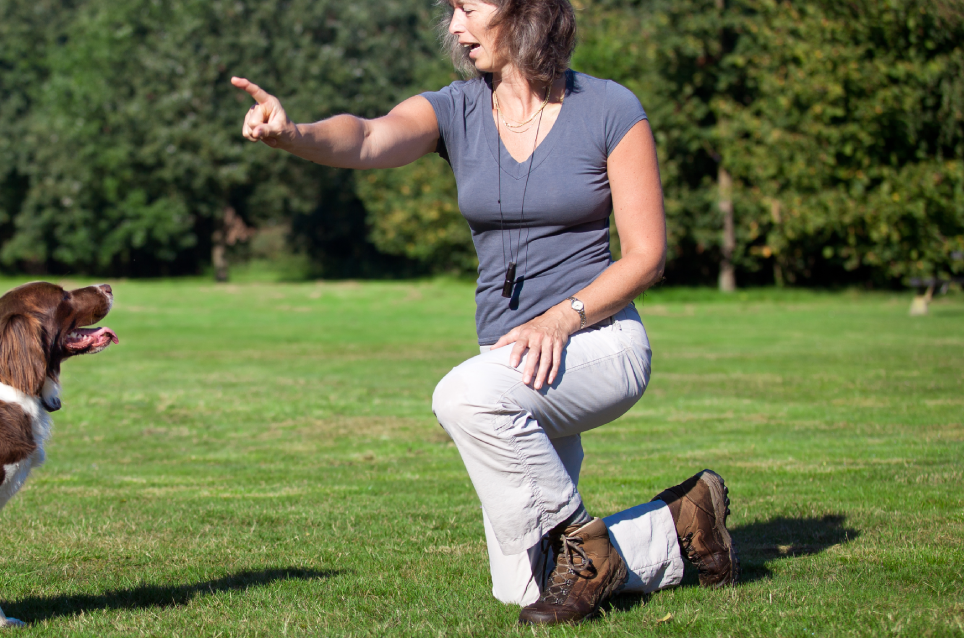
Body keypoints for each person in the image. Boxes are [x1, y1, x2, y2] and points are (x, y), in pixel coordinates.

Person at [230, 0, 737, 625]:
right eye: (451, 10)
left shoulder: (611, 109)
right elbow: (366, 136)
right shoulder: (456, 109)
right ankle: (685, 522)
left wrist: (564, 316)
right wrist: (292, 134)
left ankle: (583, 546)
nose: (454, 25)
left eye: (468, 7)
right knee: (525, 589)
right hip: (510, 363)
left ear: (526, 11)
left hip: (598, 342)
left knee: (462, 396)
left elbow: (647, 256)